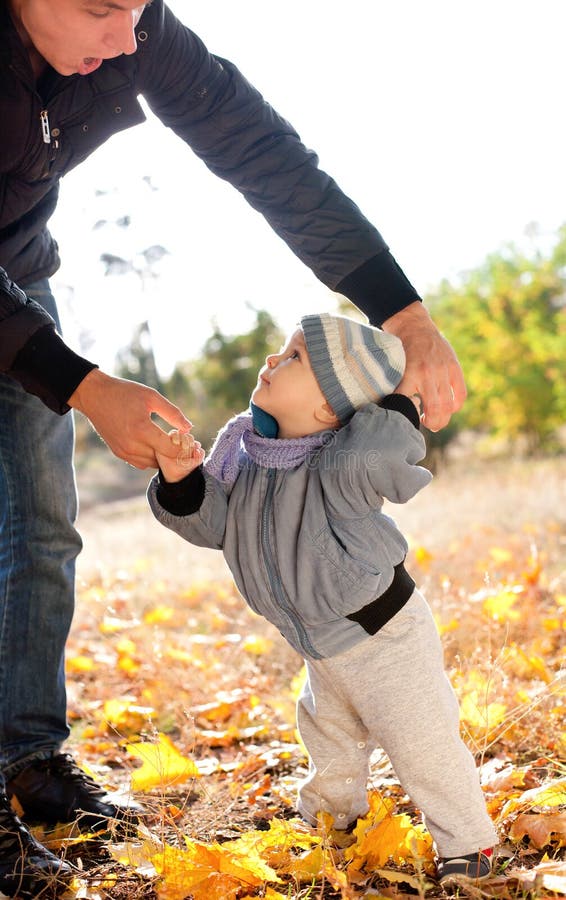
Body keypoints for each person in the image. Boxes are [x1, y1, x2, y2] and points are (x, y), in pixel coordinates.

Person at [1, 0, 466, 894]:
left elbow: (265, 156)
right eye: (102, 11)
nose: (128, 39)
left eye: (138, 9)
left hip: (20, 284)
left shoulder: (138, 37)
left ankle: (30, 763)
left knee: (42, 532)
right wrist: (85, 384)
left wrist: (400, 312)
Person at [149, 313, 498, 886]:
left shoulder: (337, 466)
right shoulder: (250, 461)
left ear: (329, 411)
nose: (271, 361)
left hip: (383, 635)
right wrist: (184, 480)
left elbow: (373, 453)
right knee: (327, 735)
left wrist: (403, 402)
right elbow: (213, 526)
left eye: (294, 359)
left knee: (421, 741)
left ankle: (471, 844)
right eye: (281, 352)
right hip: (320, 642)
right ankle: (333, 823)